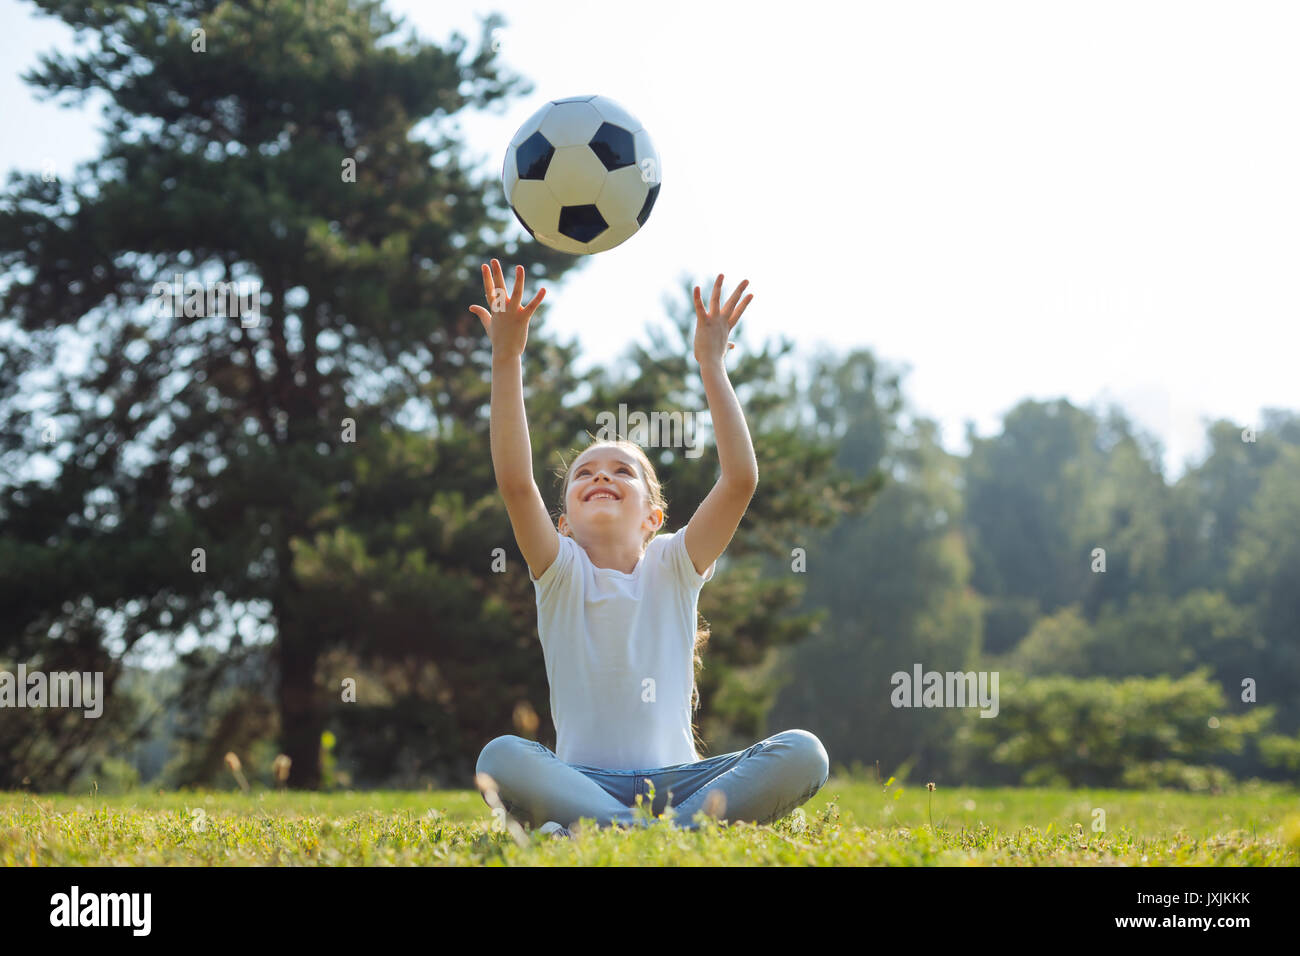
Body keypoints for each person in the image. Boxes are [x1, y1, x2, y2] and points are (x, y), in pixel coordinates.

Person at [468, 260, 829, 836]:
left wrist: (711, 365)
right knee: (499, 756)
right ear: (561, 523)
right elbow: (516, 482)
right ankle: (651, 834)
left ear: (654, 518)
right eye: (584, 473)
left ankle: (621, 833)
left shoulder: (675, 564)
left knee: (804, 752)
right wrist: (507, 356)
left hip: (683, 784)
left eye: (622, 471)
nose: (600, 476)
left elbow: (739, 480)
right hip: (583, 782)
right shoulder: (559, 571)